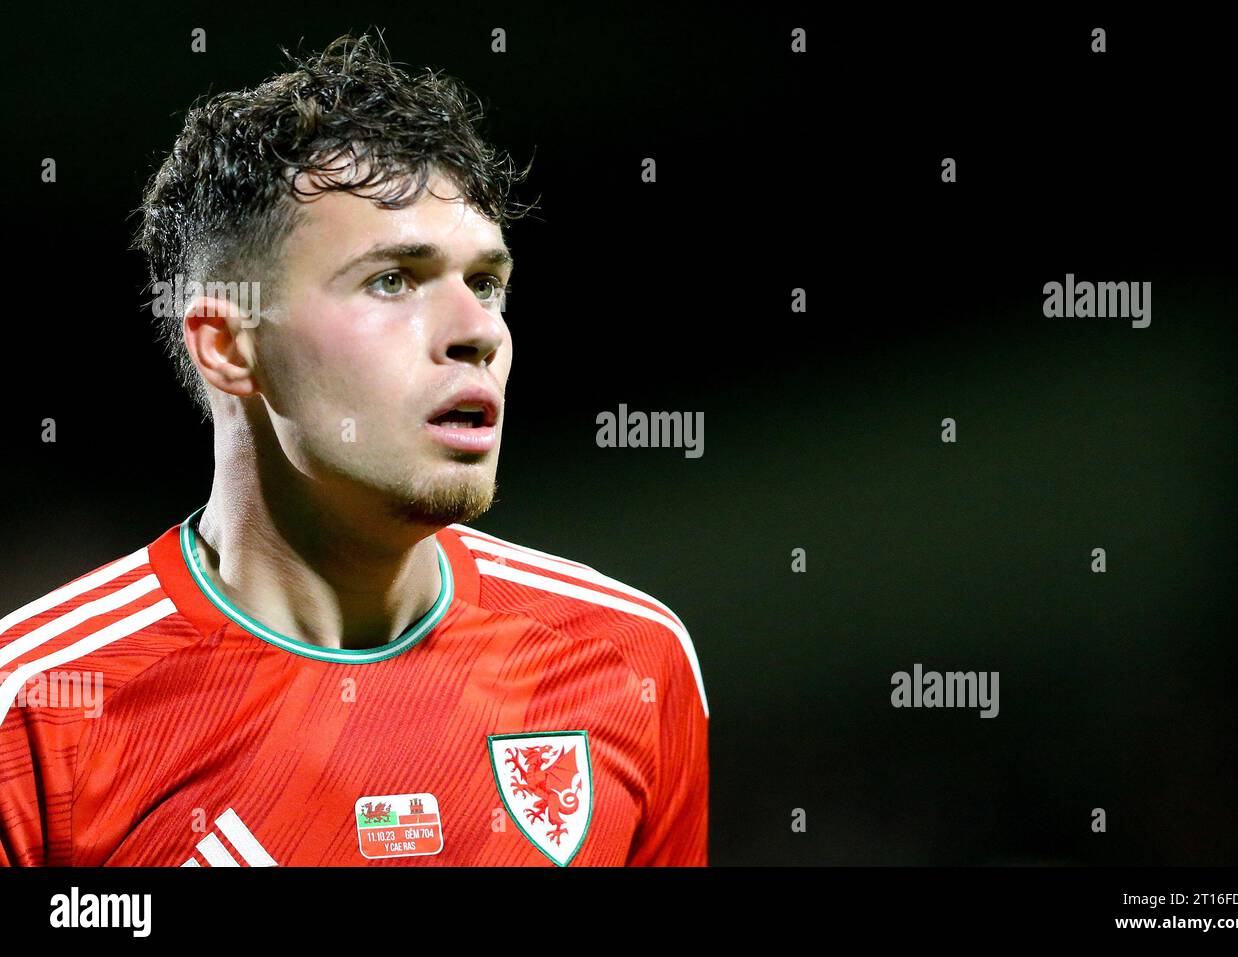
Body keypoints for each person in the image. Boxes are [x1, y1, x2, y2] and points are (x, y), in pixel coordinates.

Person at [0, 34, 707, 867]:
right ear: (228, 345)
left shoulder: (630, 657)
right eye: (393, 280)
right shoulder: (36, 715)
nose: (479, 332)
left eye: (485, 283)